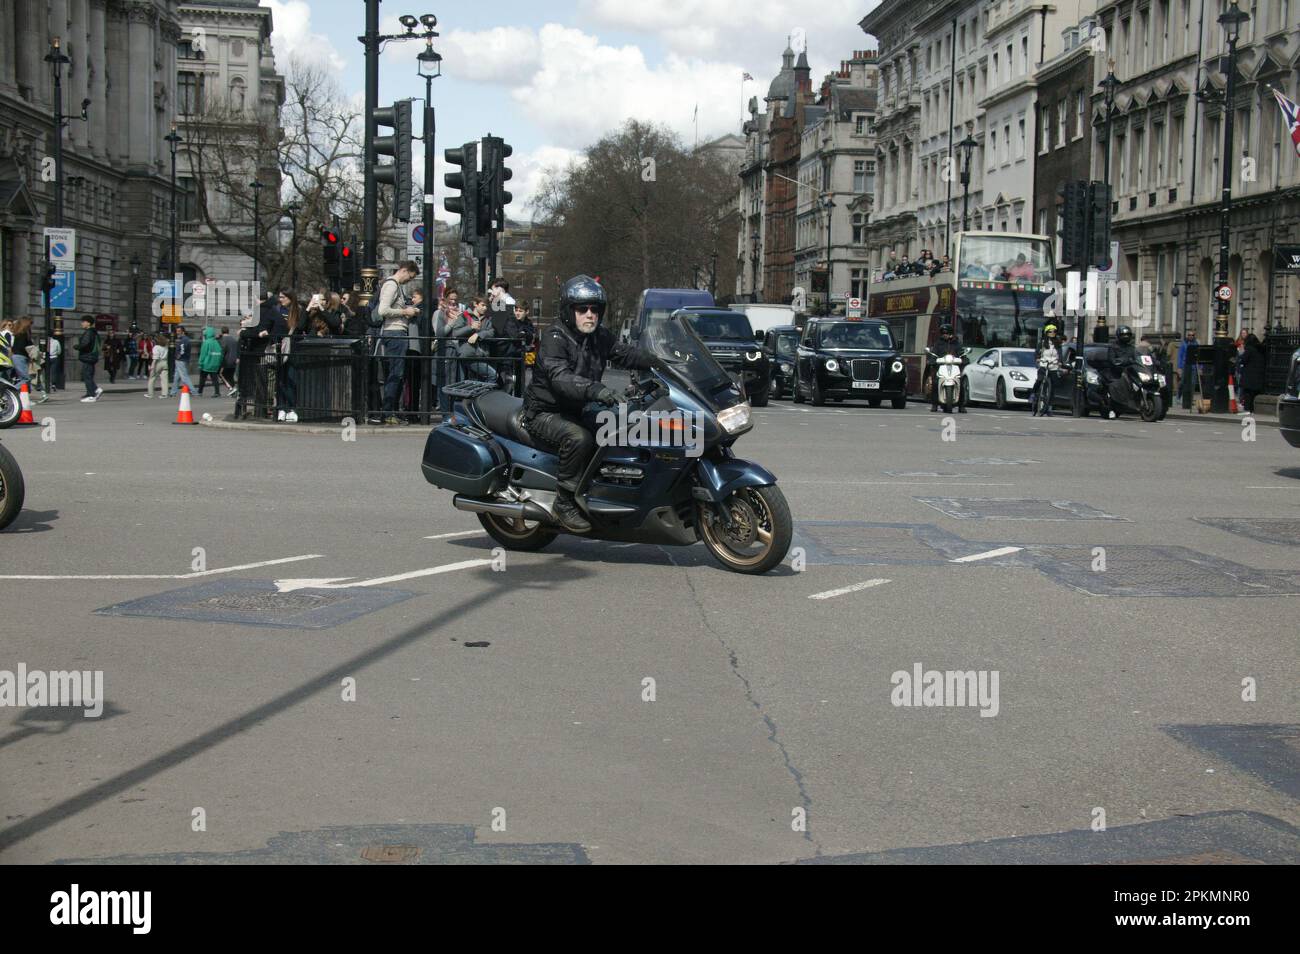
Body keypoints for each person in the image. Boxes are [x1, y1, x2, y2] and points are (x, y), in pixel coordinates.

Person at [523, 275, 654, 533]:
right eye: (582, 309)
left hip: (578, 407)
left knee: (622, 426)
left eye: (595, 309)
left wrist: (660, 361)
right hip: (545, 411)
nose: (589, 314)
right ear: (569, 311)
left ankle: (609, 491)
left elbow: (624, 353)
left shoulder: (599, 336)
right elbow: (560, 378)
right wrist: (595, 389)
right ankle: (564, 502)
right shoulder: (554, 337)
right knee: (579, 437)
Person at [376, 261, 420, 426]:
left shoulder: (395, 286)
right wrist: (405, 311)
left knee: (397, 375)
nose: (410, 280)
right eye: (411, 276)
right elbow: (383, 310)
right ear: (404, 270)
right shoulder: (392, 285)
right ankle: (387, 413)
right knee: (395, 374)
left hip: (396, 333)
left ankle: (390, 411)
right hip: (394, 333)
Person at [454, 295, 496, 383]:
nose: (485, 308)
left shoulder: (487, 319)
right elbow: (456, 333)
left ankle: (479, 396)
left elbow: (491, 333)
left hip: (482, 356)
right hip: (469, 355)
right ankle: (486, 397)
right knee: (492, 375)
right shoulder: (464, 316)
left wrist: (478, 335)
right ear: (475, 304)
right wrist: (470, 327)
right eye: (482, 305)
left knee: (476, 382)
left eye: (486, 306)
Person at [927, 323, 968, 413]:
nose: (945, 335)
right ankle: (934, 404)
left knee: (960, 383)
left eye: (946, 333)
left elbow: (961, 353)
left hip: (954, 366)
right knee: (935, 382)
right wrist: (932, 360)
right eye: (943, 333)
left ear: (951, 333)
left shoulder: (957, 343)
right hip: (941, 366)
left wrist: (964, 359)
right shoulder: (938, 343)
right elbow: (934, 353)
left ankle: (961, 406)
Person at [1103, 324, 1139, 419]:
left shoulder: (1132, 348)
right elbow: (1112, 360)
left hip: (1130, 372)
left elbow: (1138, 357)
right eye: (1123, 335)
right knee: (1115, 386)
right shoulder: (1113, 347)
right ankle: (1111, 409)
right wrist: (1120, 362)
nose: (1126, 337)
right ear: (1119, 336)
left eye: (1127, 335)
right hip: (1116, 373)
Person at [1034, 323, 1062, 416]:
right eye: (1050, 331)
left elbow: (1060, 354)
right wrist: (1038, 358)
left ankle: (1049, 407)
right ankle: (1033, 394)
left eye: (1054, 331)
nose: (1053, 333)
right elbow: (1037, 352)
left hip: (1053, 366)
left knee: (1053, 387)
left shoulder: (1057, 343)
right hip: (1044, 364)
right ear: (1046, 333)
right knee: (1039, 380)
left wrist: (1060, 362)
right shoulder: (1042, 343)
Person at [73, 316, 103, 402]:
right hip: (92, 356)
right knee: (87, 375)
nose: (82, 323)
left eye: (83, 322)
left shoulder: (89, 332)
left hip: (88, 356)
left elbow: (85, 344)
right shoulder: (94, 332)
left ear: (88, 323)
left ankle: (91, 395)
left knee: (87, 376)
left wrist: (77, 346)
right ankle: (94, 390)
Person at [1239, 333, 1265, 413]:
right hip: (1258, 374)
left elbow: (1243, 360)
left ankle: (1248, 409)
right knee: (1254, 393)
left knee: (1247, 393)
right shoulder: (1260, 349)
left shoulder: (1249, 349)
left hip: (1249, 375)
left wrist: (1241, 352)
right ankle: (1253, 409)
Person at [197, 326, 224, 396]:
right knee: (215, 379)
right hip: (215, 364)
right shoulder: (216, 342)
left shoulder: (206, 342)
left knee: (202, 378)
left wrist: (200, 363)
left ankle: (200, 391)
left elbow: (203, 354)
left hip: (206, 364)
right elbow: (220, 353)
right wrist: (219, 362)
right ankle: (217, 392)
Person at [1176, 329, 1198, 409]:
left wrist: (1199, 367)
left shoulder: (1196, 344)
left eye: (1192, 335)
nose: (1191, 336)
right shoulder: (1183, 344)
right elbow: (1180, 356)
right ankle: (1179, 397)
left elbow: (1198, 355)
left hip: (1193, 366)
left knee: (1192, 383)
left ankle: (1190, 399)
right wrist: (1179, 367)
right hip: (1185, 365)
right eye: (1189, 335)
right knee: (1182, 382)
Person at [169, 326, 194, 396]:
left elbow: (182, 350)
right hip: (182, 360)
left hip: (181, 360)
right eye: (177, 331)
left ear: (183, 332)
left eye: (179, 331)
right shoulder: (184, 339)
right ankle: (173, 392)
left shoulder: (184, 339)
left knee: (184, 377)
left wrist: (178, 356)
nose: (177, 333)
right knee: (176, 377)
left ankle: (193, 391)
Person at [218, 326, 239, 398]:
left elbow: (223, 350)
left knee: (220, 374)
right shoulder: (234, 339)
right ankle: (233, 392)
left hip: (226, 361)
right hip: (234, 360)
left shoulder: (223, 339)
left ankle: (231, 388)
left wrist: (220, 361)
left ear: (222, 332)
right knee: (230, 376)